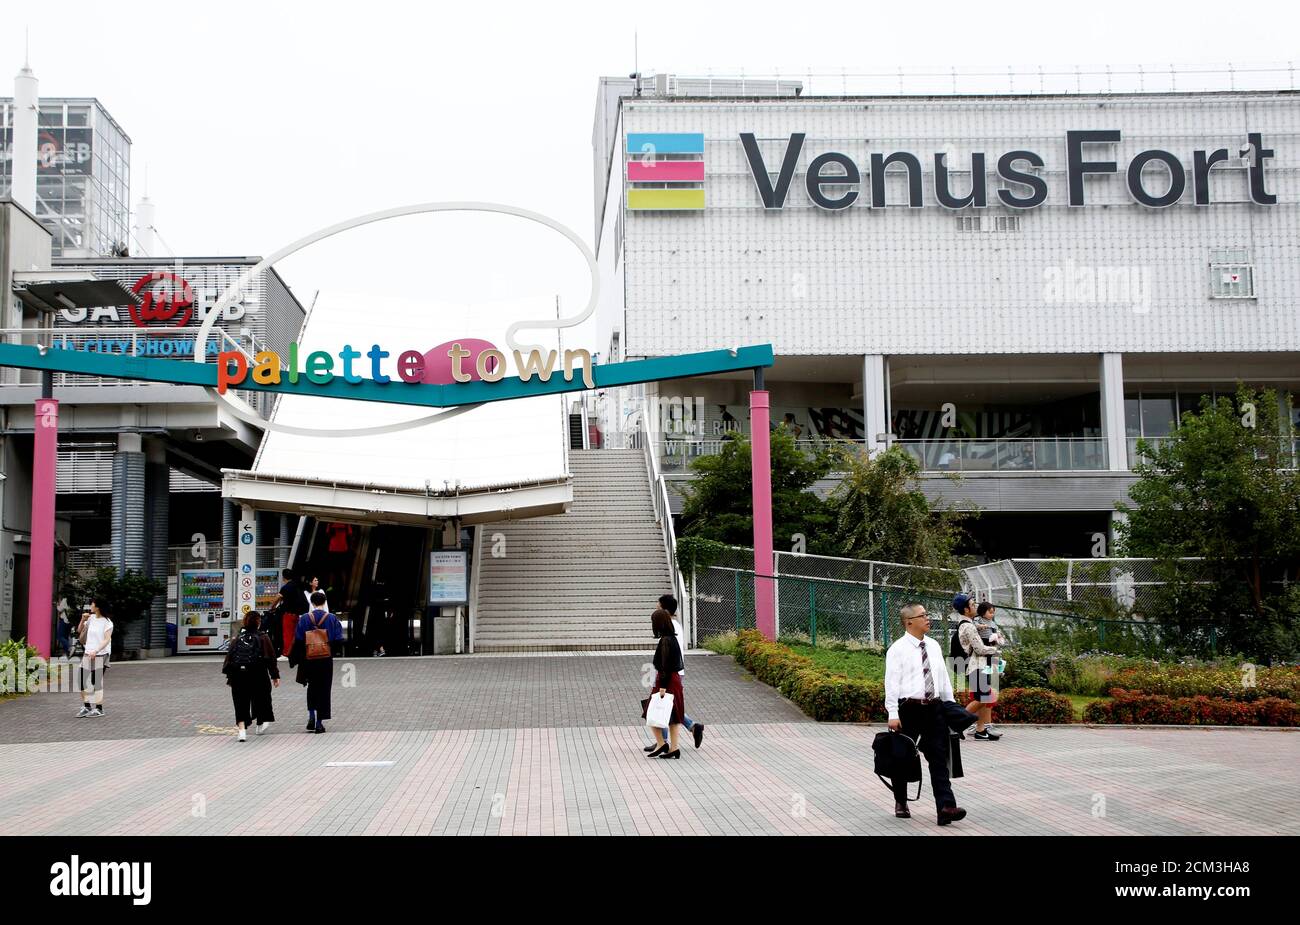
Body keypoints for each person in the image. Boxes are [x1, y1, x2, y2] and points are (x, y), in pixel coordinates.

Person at [884, 602, 966, 826]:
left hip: (934, 708)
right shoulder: (897, 649)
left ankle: (945, 807)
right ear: (909, 622)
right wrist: (892, 712)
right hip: (907, 709)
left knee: (939, 758)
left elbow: (943, 678)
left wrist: (950, 706)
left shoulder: (933, 645)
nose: (928, 618)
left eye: (927, 614)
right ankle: (901, 801)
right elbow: (891, 683)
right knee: (901, 757)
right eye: (923, 615)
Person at [644, 594, 704, 750]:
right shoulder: (673, 625)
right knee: (668, 706)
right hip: (673, 671)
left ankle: (663, 741)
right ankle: (687, 730)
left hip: (671, 673)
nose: (656, 607)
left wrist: (663, 679)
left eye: (658, 605)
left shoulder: (670, 627)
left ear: (664, 609)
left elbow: (669, 656)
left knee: (665, 705)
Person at [288, 591, 344, 733]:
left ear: (311, 603)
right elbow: (338, 640)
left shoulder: (305, 619)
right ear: (324, 602)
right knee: (324, 689)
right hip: (325, 659)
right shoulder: (332, 618)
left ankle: (311, 715)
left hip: (309, 658)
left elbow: (299, 639)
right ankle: (319, 723)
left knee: (312, 688)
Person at [222, 611, 280, 741]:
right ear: (258, 622)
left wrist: (230, 677)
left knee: (240, 701)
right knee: (261, 698)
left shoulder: (237, 638)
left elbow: (229, 659)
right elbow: (271, 658)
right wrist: (275, 675)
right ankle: (260, 724)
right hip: (258, 672)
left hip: (238, 674)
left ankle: (242, 731)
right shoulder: (263, 637)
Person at [953, 594, 1001, 740]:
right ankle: (955, 724)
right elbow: (980, 649)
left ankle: (981, 730)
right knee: (984, 696)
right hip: (974, 665)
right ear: (966, 609)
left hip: (977, 665)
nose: (975, 607)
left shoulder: (968, 624)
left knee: (985, 696)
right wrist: (996, 650)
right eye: (973, 605)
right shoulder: (968, 626)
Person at [646, 607, 685, 759]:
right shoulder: (672, 638)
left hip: (666, 681)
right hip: (674, 680)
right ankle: (674, 748)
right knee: (673, 716)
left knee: (651, 712)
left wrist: (662, 686)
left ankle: (662, 743)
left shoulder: (665, 641)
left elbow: (664, 666)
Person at [76, 598, 113, 718]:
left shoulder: (107, 622)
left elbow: (107, 639)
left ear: (97, 607)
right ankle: (87, 706)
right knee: (81, 680)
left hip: (101, 654)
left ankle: (99, 708)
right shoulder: (91, 619)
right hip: (88, 653)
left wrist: (96, 650)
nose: (90, 606)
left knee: (95, 681)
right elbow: (79, 631)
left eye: (92, 604)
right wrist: (82, 619)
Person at [271, 569, 309, 658]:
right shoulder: (298, 585)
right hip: (299, 614)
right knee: (297, 633)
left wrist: (272, 607)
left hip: (289, 614)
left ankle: (286, 653)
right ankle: (298, 652)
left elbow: (278, 598)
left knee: (288, 634)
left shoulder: (286, 587)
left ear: (284, 578)